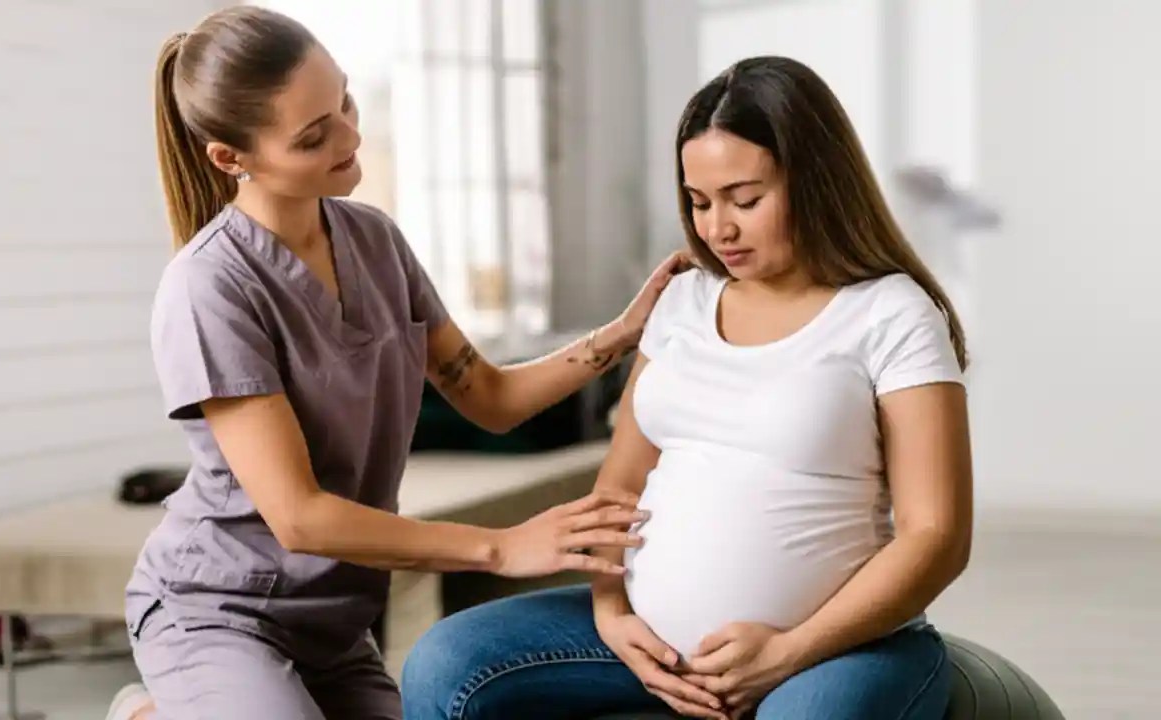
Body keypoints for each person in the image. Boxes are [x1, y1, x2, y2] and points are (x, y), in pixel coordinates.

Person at [104, 6, 690, 720]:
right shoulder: (211, 287)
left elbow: (491, 397)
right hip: (221, 611)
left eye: (345, 101)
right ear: (232, 158)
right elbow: (301, 518)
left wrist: (622, 333)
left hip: (334, 623)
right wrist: (501, 548)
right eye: (314, 135)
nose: (352, 136)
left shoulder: (376, 241)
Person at [400, 56, 974, 720]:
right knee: (447, 662)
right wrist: (613, 614)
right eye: (699, 202)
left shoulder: (890, 313)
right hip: (649, 639)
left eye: (745, 199)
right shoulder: (683, 300)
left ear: (816, 181)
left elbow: (936, 534)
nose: (717, 229)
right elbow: (619, 490)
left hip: (833, 646)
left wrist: (787, 652)